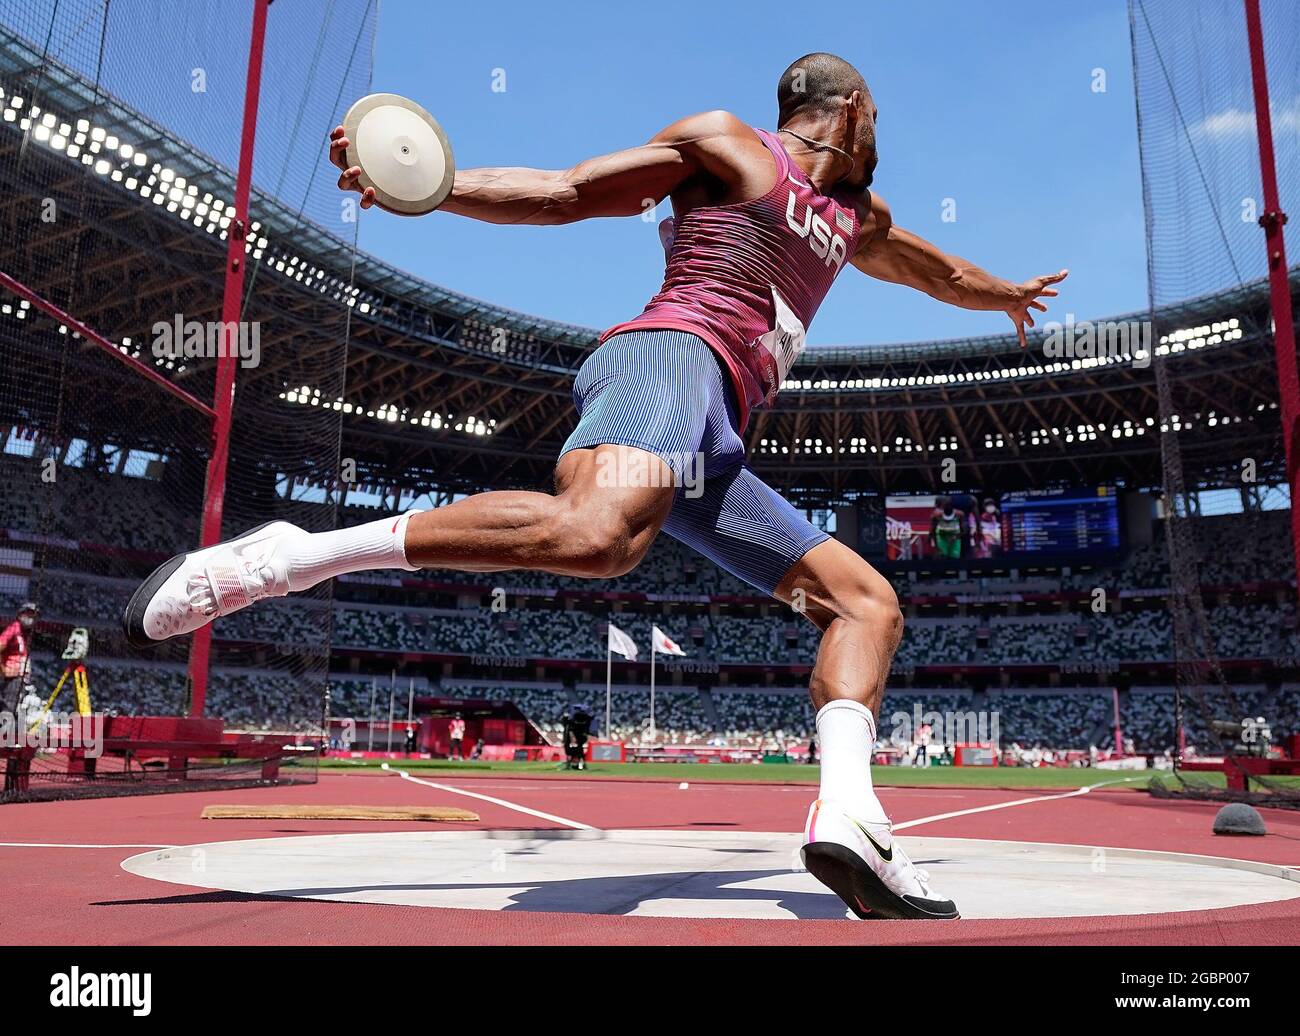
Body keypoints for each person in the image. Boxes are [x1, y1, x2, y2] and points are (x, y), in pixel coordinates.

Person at [123, 52, 1066, 921]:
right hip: (671, 358)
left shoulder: (858, 217)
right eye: (880, 117)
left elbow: (941, 275)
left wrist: (1010, 296)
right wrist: (436, 186)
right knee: (595, 537)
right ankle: (289, 557)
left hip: (718, 438)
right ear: (852, 109)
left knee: (868, 604)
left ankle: (853, 820)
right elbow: (568, 192)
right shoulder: (732, 144)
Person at [1, 602, 37, 715]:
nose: (31, 618)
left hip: (20, 676)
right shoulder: (14, 629)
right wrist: (2, 669)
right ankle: (5, 731)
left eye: (33, 616)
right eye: (28, 614)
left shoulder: (25, 632)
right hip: (12, 675)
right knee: (9, 707)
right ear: (21, 614)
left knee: (14, 706)